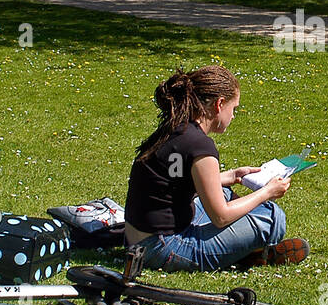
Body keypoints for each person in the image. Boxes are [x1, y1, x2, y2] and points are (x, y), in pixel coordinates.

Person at [122, 65, 308, 276]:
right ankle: (241, 253)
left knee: (225, 192)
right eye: (234, 109)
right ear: (219, 104)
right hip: (164, 248)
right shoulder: (201, 146)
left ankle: (236, 248)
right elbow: (220, 217)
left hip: (136, 240)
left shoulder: (175, 129)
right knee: (272, 217)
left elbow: (174, 179)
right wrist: (267, 192)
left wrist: (231, 176)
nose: (233, 116)